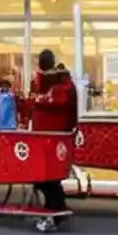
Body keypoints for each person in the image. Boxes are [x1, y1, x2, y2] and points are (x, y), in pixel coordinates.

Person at [30, 49, 77, 219]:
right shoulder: (44, 82)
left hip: (54, 134)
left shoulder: (60, 85)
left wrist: (37, 101)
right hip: (46, 134)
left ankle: (56, 205)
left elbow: (58, 103)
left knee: (47, 173)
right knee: (45, 173)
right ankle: (54, 205)